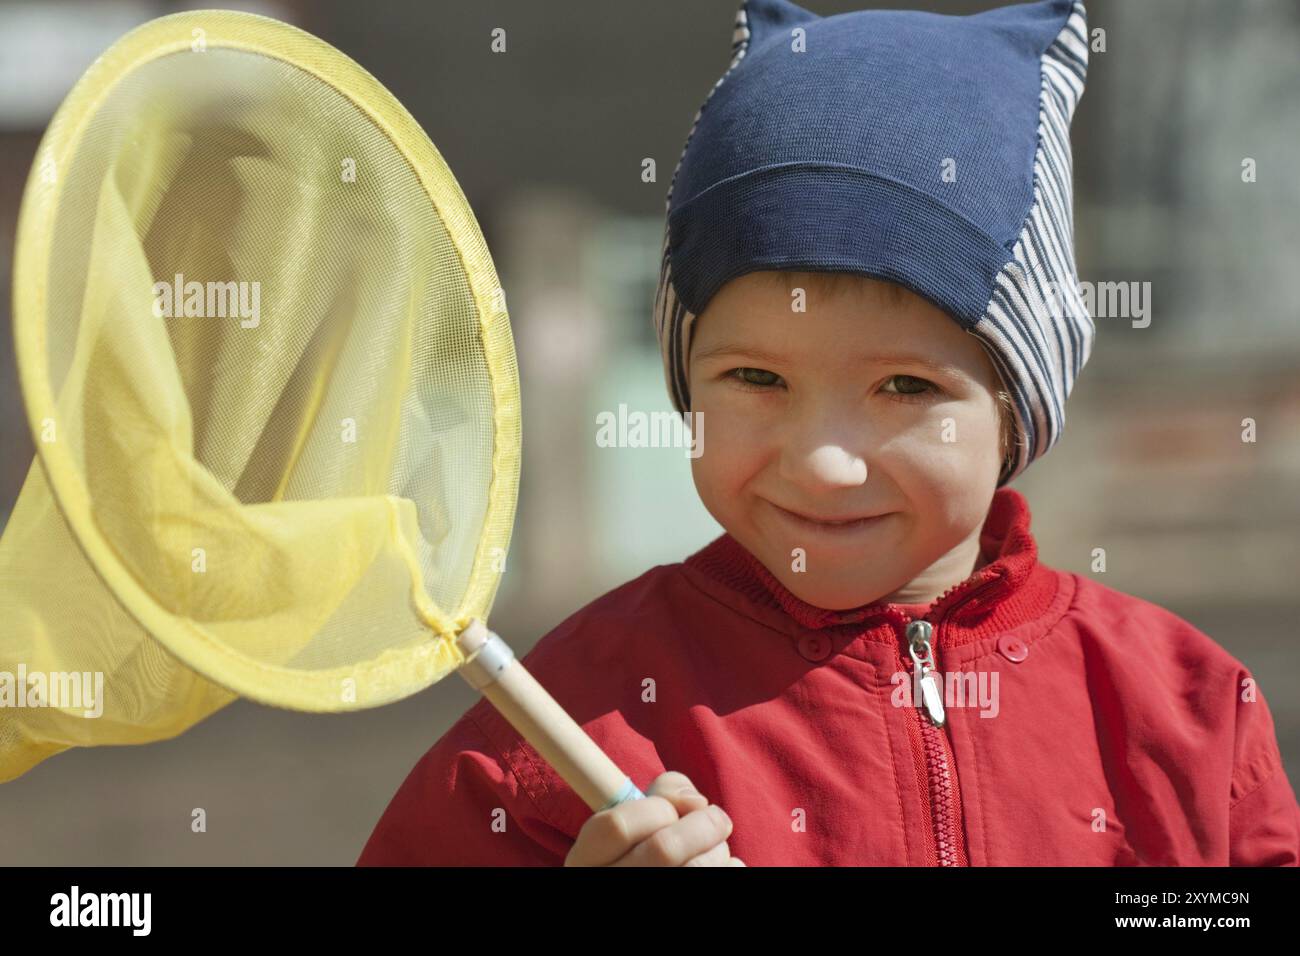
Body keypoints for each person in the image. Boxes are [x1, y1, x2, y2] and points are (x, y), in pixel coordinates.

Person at [357, 0, 1300, 866]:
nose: (822, 462)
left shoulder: (1187, 712)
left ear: (1017, 402)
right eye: (756, 378)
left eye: (903, 386)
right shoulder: (566, 729)